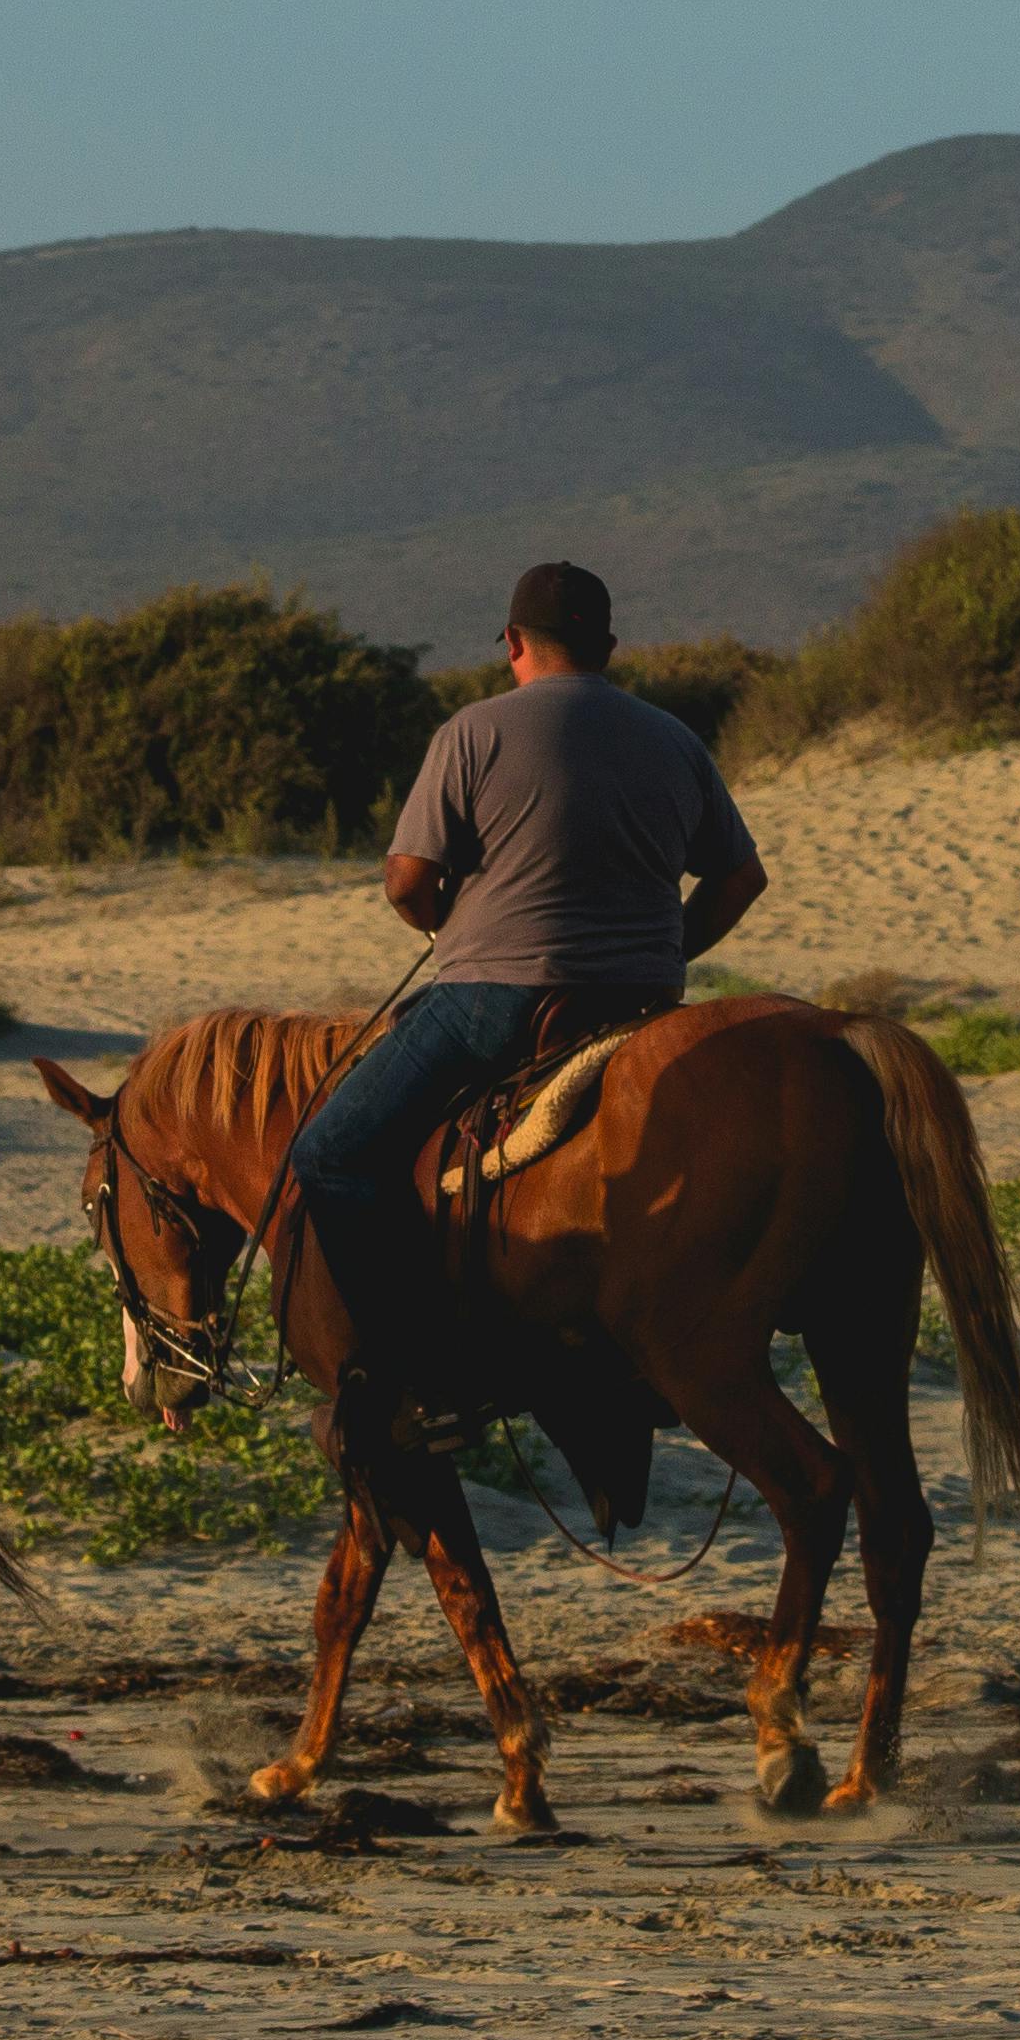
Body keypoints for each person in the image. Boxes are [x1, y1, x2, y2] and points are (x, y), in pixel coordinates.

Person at [286, 559, 766, 1426]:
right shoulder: (672, 738)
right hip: (646, 1005)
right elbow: (741, 878)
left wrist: (443, 926)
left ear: (513, 643)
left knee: (333, 1153)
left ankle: (413, 1377)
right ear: (609, 648)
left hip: (501, 1001)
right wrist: (668, 947)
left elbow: (405, 879)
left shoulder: (473, 732)